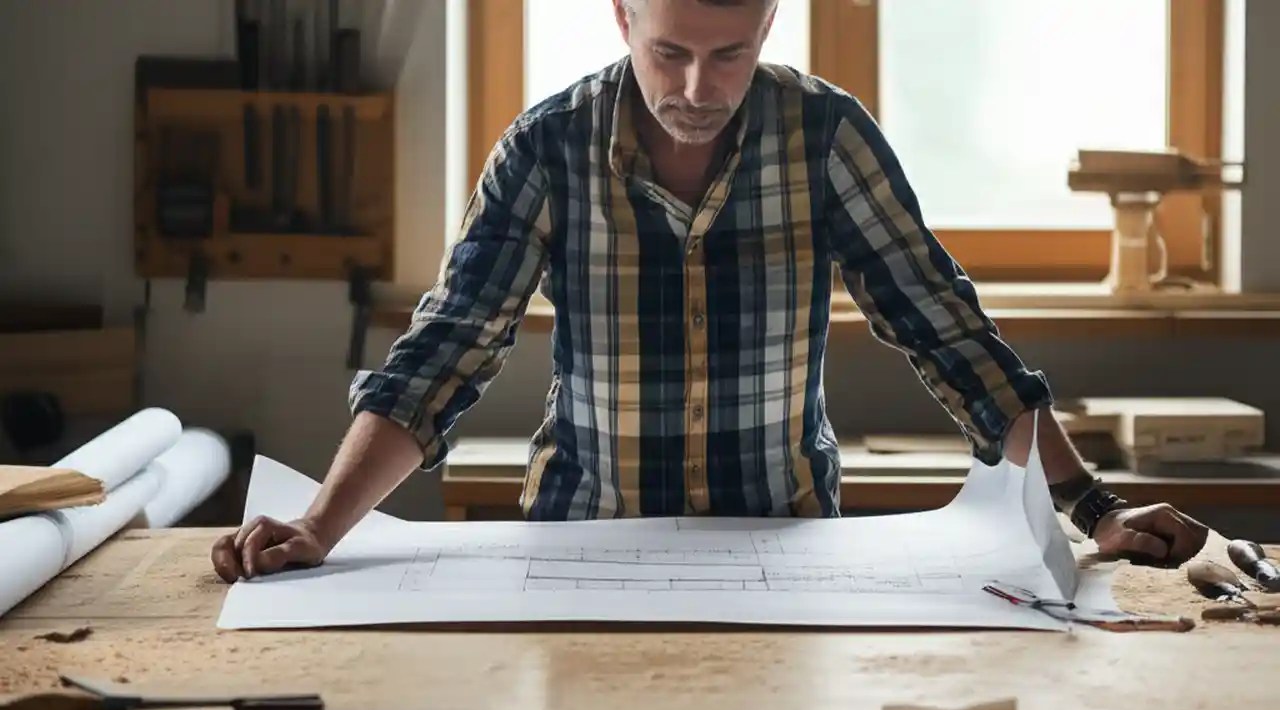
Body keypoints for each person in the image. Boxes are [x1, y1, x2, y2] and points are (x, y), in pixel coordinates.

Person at [212, 0, 1208, 583]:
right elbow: (444, 354)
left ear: (769, 21)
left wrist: (1092, 509)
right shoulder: (548, 146)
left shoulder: (827, 137)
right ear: (620, 16)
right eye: (668, 54)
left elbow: (948, 334)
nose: (695, 88)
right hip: (580, 549)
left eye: (728, 55)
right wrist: (317, 528)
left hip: (785, 548)